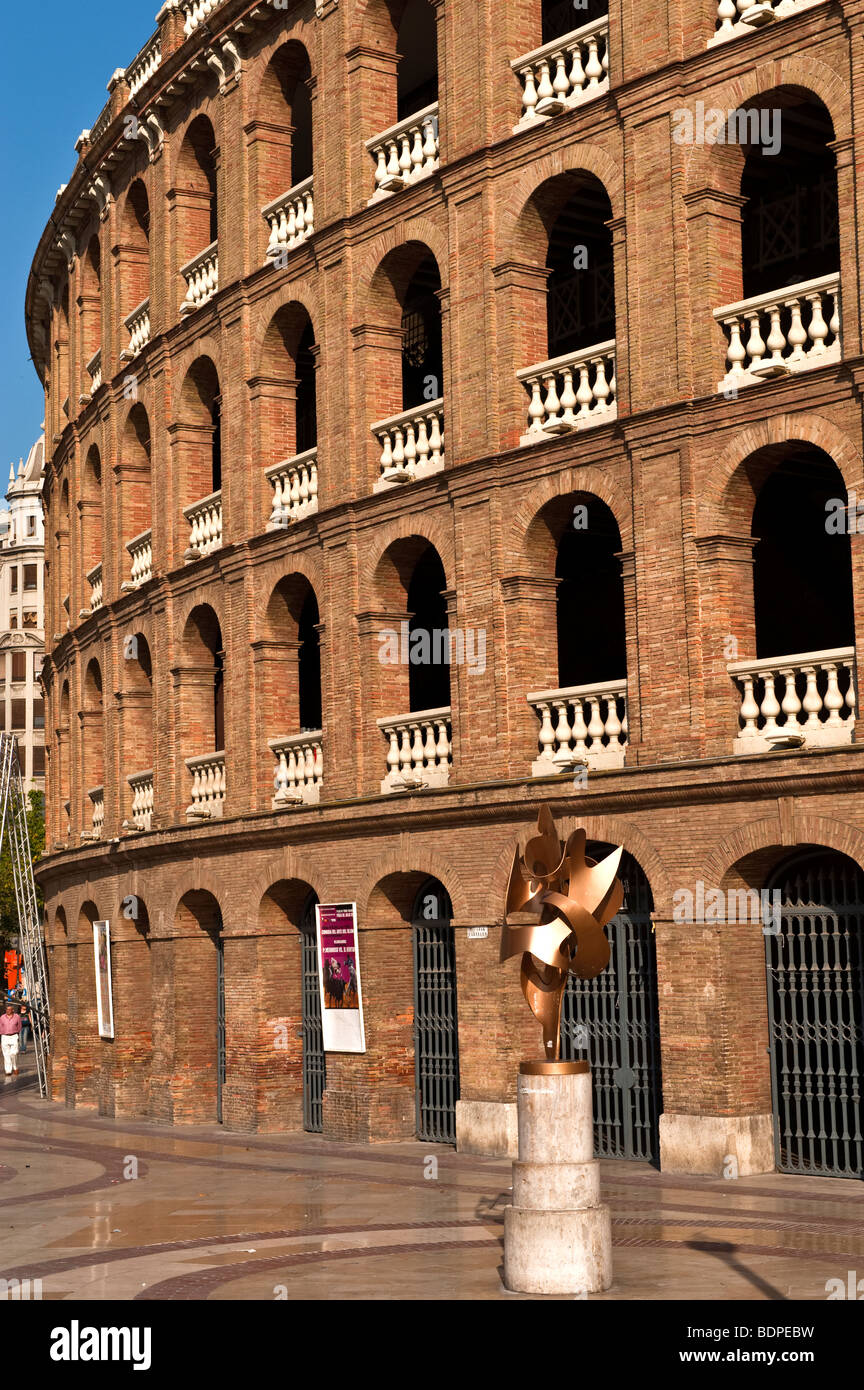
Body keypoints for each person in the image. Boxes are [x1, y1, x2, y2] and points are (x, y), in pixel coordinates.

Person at [0, 1003, 21, 1077]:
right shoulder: (2, 1017)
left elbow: (19, 1026)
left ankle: (15, 1067)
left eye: (9, 1009)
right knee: (6, 1054)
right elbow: (0, 1027)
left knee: (13, 1053)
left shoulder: (17, 1017)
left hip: (14, 1035)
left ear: (13, 1010)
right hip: (4, 1036)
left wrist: (17, 1035)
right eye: (7, 1009)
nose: (8, 1010)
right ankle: (8, 1070)